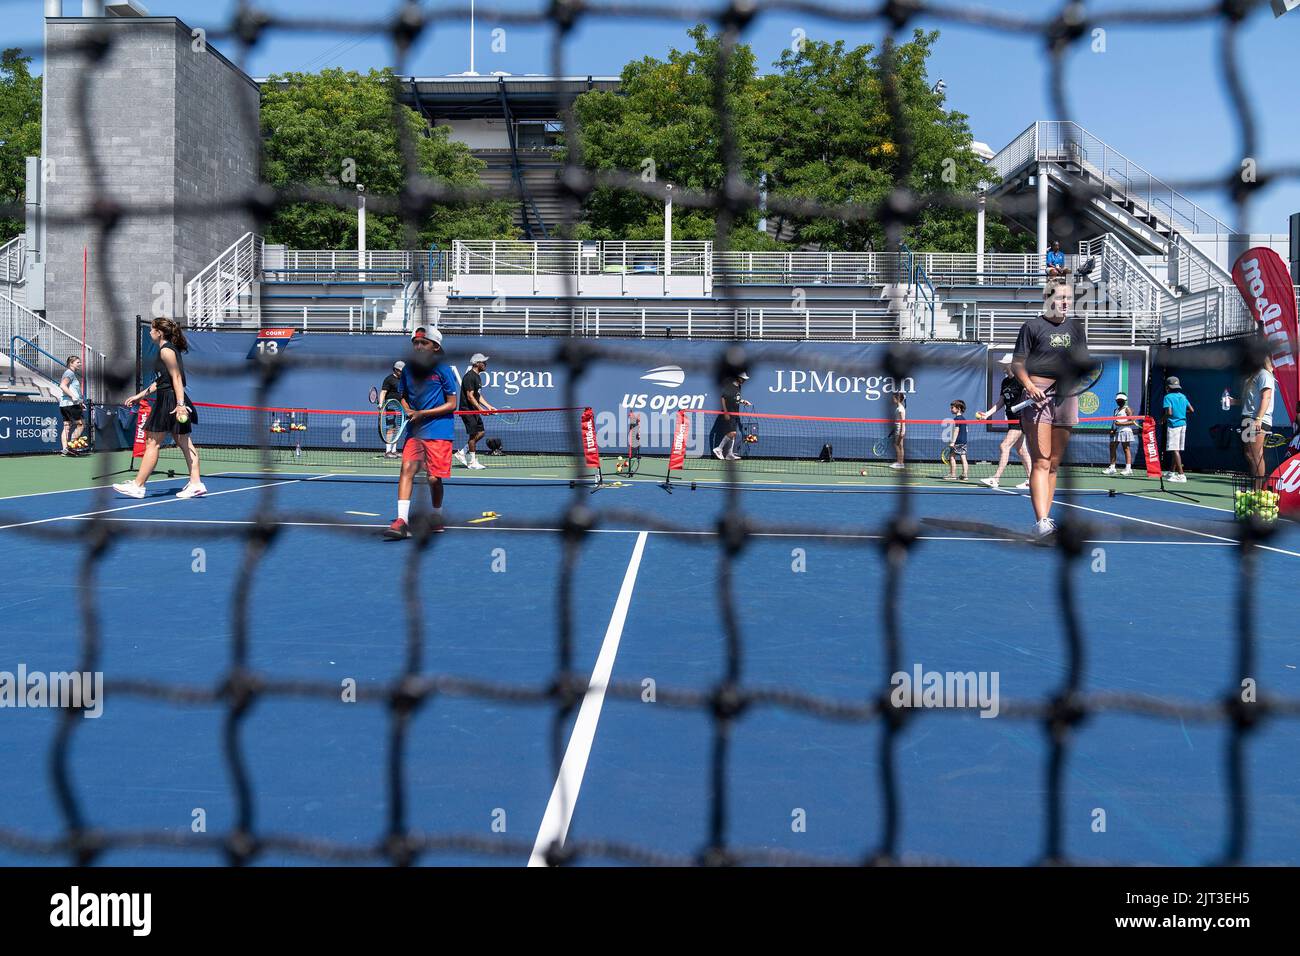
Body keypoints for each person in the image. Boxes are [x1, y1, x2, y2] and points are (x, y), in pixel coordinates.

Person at [1012, 279, 1090, 539]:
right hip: (1037, 396)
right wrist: (1029, 386)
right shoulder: (1031, 326)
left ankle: (1046, 520)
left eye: (1070, 298)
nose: (1066, 302)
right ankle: (1041, 521)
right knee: (1041, 461)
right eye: (1060, 298)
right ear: (1048, 299)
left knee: (1054, 463)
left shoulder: (1077, 328)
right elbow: (1018, 364)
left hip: (1066, 397)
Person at [114, 317, 205, 499]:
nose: (150, 332)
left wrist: (180, 405)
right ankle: (196, 483)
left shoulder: (166, 351)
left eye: (152, 329)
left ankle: (138, 486)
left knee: (152, 442)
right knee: (184, 443)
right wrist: (139, 395)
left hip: (170, 400)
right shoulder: (166, 350)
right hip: (171, 397)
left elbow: (177, 378)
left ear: (159, 332)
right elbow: (161, 380)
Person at [384, 328, 458, 539]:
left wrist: (422, 413)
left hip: (439, 431)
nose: (418, 347)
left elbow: (452, 404)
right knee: (406, 469)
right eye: (415, 343)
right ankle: (401, 521)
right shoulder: (407, 370)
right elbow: (403, 396)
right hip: (415, 431)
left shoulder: (443, 370)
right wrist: (407, 409)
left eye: (423, 343)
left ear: (435, 347)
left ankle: (436, 516)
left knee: (434, 478)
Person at [974, 354, 1031, 489]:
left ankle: (996, 478)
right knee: (1021, 450)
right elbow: (1000, 402)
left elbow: (1031, 393)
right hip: (1011, 419)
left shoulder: (1021, 380)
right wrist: (987, 414)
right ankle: (1031, 480)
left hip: (1020, 418)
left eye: (1005, 364)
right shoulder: (1005, 382)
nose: (1002, 367)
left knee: (1004, 446)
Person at [1224, 352, 1275, 491]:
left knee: (1254, 455)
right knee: (1251, 454)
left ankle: (1258, 490)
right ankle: (1258, 488)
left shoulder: (1264, 374)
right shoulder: (1252, 377)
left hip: (1256, 420)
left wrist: (1258, 419)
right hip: (1248, 419)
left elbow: (1266, 397)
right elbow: (1249, 401)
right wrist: (1233, 401)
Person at [454, 352, 496, 471]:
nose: (486, 364)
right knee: (473, 436)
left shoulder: (477, 376)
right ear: (477, 363)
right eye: (484, 362)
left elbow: (478, 396)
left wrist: (489, 406)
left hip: (474, 410)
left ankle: (462, 452)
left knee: (481, 432)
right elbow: (470, 396)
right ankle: (472, 462)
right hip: (467, 410)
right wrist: (481, 409)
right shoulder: (469, 376)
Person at [1161, 376, 1194, 483]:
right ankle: (1171, 472)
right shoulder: (1183, 396)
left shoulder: (1168, 397)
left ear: (1167, 387)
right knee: (1176, 450)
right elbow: (1191, 410)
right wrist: (1181, 414)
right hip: (1183, 424)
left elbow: (1169, 413)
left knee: (1175, 450)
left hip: (1174, 426)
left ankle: (1181, 475)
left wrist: (1162, 420)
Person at [713, 372, 752, 460]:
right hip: (729, 413)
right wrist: (726, 412)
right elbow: (723, 398)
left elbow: (736, 398)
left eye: (745, 379)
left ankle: (729, 454)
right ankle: (719, 449)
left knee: (733, 434)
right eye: (743, 378)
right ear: (738, 378)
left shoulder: (739, 386)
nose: (744, 380)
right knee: (732, 433)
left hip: (735, 413)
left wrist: (743, 401)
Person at [57, 356, 87, 456]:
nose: (80, 364)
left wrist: (80, 402)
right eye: (78, 362)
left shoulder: (71, 373)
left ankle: (65, 449)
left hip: (66, 404)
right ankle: (71, 446)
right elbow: (62, 385)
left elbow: (74, 390)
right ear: (71, 363)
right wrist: (73, 397)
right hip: (70, 404)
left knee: (67, 426)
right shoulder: (69, 373)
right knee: (81, 424)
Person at [1104, 392, 1137, 476]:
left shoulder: (1127, 409)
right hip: (1117, 431)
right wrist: (1113, 429)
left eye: (1121, 400)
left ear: (1124, 400)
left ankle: (1128, 468)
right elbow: (1114, 422)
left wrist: (1120, 424)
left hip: (1125, 431)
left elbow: (1132, 422)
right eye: (1118, 400)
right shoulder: (1116, 410)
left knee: (1126, 449)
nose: (1119, 401)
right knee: (1112, 447)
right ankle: (1112, 468)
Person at [378, 360, 405, 459]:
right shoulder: (389, 379)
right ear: (395, 370)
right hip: (391, 407)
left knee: (398, 428)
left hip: (401, 407)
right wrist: (381, 404)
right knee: (391, 428)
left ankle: (394, 451)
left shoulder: (403, 380)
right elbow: (383, 392)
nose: (402, 373)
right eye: (400, 371)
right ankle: (388, 451)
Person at [943, 399, 970, 481]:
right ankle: (965, 475)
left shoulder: (957, 419)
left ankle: (952, 474)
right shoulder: (964, 419)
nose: (951, 409)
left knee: (952, 457)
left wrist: (953, 442)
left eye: (952, 408)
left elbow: (956, 430)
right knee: (963, 457)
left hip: (957, 441)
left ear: (958, 408)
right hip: (964, 441)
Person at [889, 393, 907, 470]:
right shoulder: (899, 408)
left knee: (897, 445)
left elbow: (903, 420)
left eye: (894, 398)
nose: (893, 400)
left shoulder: (900, 409)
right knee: (900, 445)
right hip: (897, 428)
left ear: (898, 399)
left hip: (900, 429)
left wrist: (902, 431)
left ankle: (900, 463)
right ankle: (900, 463)